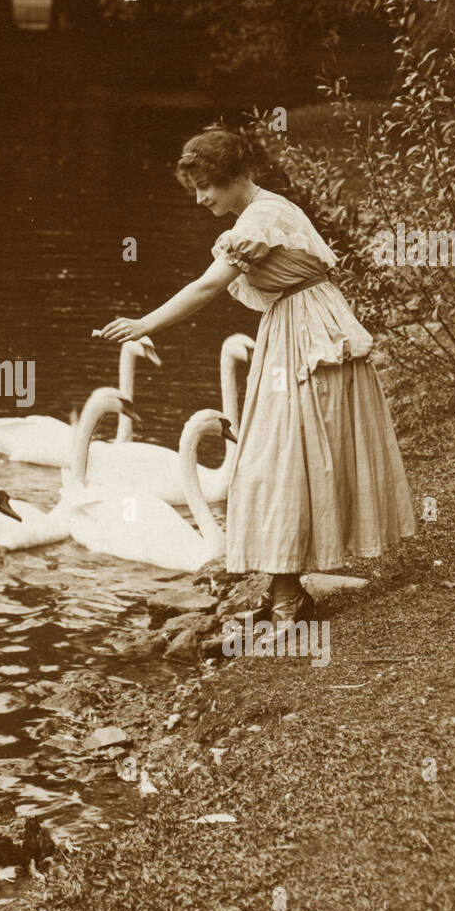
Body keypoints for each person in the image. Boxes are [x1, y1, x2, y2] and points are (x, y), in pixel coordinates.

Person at [97, 127, 415, 629]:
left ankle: (288, 596)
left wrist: (145, 324)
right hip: (293, 329)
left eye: (208, 187)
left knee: (282, 460)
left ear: (234, 178)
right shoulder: (262, 211)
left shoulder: (262, 220)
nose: (201, 199)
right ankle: (284, 586)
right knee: (274, 458)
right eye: (196, 189)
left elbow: (206, 287)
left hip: (309, 338)